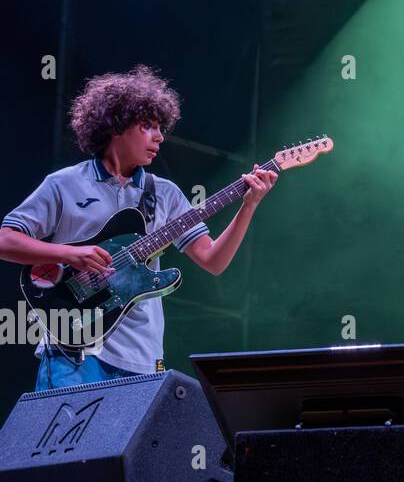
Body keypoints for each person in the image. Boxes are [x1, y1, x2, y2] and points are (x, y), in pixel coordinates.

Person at [0, 65, 277, 389]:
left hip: (143, 360)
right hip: (72, 351)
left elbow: (214, 261)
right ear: (116, 125)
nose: (159, 137)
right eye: (148, 126)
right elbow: (6, 240)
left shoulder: (165, 194)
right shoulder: (64, 184)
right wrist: (70, 254)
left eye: (161, 128)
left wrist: (249, 204)